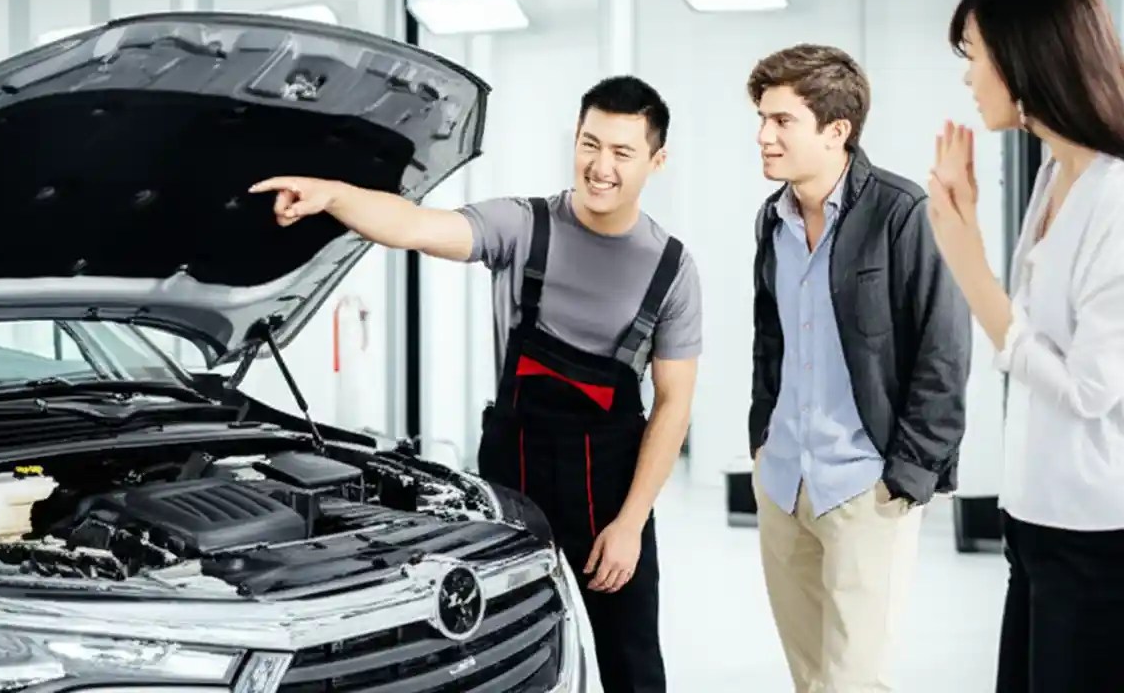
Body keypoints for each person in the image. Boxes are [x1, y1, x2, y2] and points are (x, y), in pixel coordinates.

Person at [248, 75, 702, 693]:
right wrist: (333, 194)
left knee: (633, 666)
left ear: (656, 160)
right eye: (589, 144)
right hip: (511, 481)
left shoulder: (672, 269)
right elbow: (412, 225)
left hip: (610, 492)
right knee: (494, 649)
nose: (601, 167)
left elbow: (674, 404)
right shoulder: (522, 226)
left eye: (622, 152)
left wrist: (630, 524)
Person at [746, 44, 972, 692]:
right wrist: (763, 443)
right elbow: (771, 340)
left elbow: (944, 353)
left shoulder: (903, 213)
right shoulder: (773, 220)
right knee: (810, 678)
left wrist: (908, 472)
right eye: (762, 118)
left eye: (782, 121)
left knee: (853, 682)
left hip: (866, 487)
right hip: (784, 479)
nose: (764, 135)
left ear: (836, 130)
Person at [930, 0, 1124, 690]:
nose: (967, 74)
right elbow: (1033, 337)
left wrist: (968, 260)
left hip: (1095, 535)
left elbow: (1090, 388)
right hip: (1034, 520)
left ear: (1024, 57)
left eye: (974, 53)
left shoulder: (1116, 197)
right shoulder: (1053, 175)